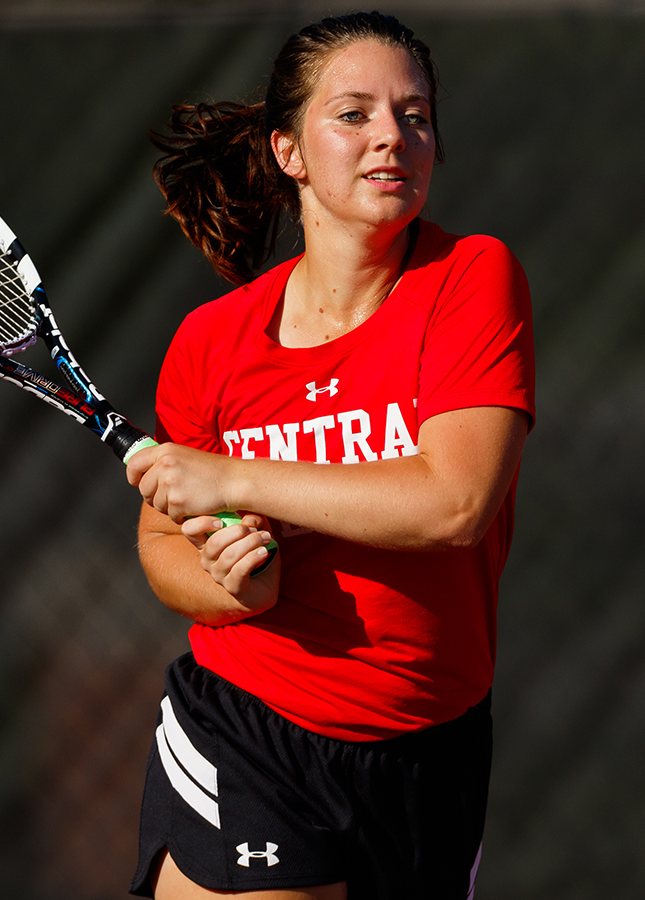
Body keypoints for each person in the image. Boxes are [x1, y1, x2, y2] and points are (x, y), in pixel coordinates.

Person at [123, 13, 534, 899]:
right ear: (289, 151)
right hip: (255, 732)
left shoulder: (471, 278)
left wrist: (235, 477)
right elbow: (164, 549)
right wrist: (230, 587)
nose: (392, 134)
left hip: (434, 750)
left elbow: (454, 505)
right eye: (353, 114)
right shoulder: (211, 341)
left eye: (415, 115)